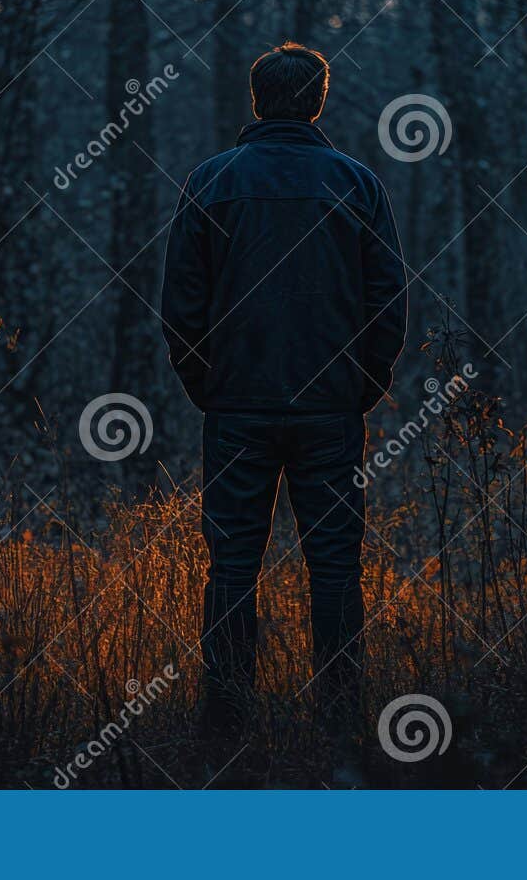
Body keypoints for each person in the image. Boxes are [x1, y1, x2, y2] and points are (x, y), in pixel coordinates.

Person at [159, 42, 408, 740]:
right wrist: (362, 386)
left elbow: (180, 302)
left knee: (232, 565)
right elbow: (389, 301)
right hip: (328, 408)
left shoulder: (212, 181)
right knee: (335, 565)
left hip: (237, 407)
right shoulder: (355, 183)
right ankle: (341, 724)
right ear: (318, 101)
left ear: (256, 99)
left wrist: (209, 386)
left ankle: (227, 725)